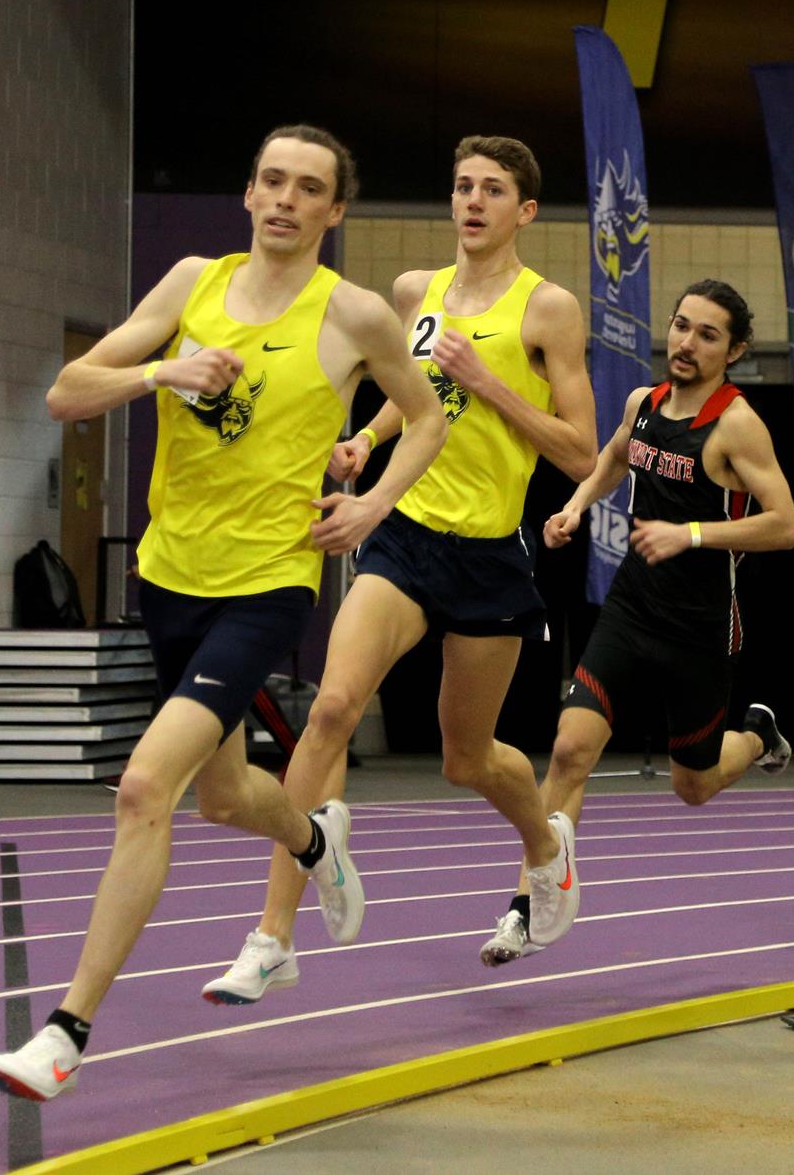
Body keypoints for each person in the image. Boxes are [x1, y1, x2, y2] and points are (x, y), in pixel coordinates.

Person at [0, 125, 447, 1100]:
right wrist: (165, 372)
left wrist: (369, 502)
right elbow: (68, 393)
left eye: (307, 187)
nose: (284, 199)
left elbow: (428, 414)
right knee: (225, 796)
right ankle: (318, 840)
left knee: (145, 786)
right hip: (170, 576)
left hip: (270, 582)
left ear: (333, 211)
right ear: (247, 193)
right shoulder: (191, 284)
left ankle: (64, 1032)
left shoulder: (353, 314)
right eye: (270, 180)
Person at [199, 135, 599, 1005]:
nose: (473, 202)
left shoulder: (550, 310)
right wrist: (367, 439)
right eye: (462, 187)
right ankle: (273, 935)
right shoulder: (417, 292)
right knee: (334, 707)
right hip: (403, 535)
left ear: (524, 211)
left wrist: (490, 382)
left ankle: (545, 849)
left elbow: (579, 450)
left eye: (493, 190)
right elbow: (411, 396)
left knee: (467, 759)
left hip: (491, 554)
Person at [478, 279, 794, 964]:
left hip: (698, 628)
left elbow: (785, 525)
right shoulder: (644, 403)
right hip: (631, 607)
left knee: (695, 785)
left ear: (734, 349)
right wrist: (578, 503)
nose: (686, 342)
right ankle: (527, 908)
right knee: (568, 750)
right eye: (682, 326)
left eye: (707, 334)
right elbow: (617, 454)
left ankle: (759, 733)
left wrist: (690, 535)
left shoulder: (736, 424)